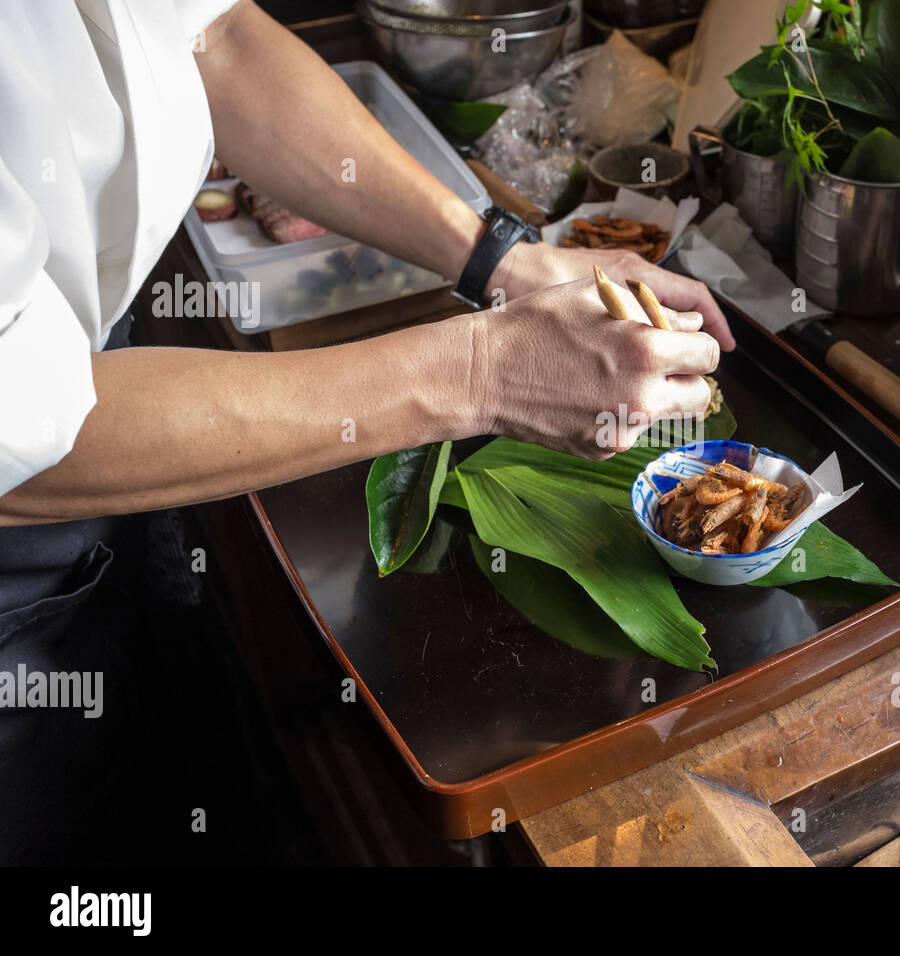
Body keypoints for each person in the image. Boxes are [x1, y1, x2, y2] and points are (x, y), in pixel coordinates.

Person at [0, 0, 732, 862]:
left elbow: (215, 36)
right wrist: (480, 371)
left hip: (83, 370)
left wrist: (501, 259)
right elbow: (22, 438)